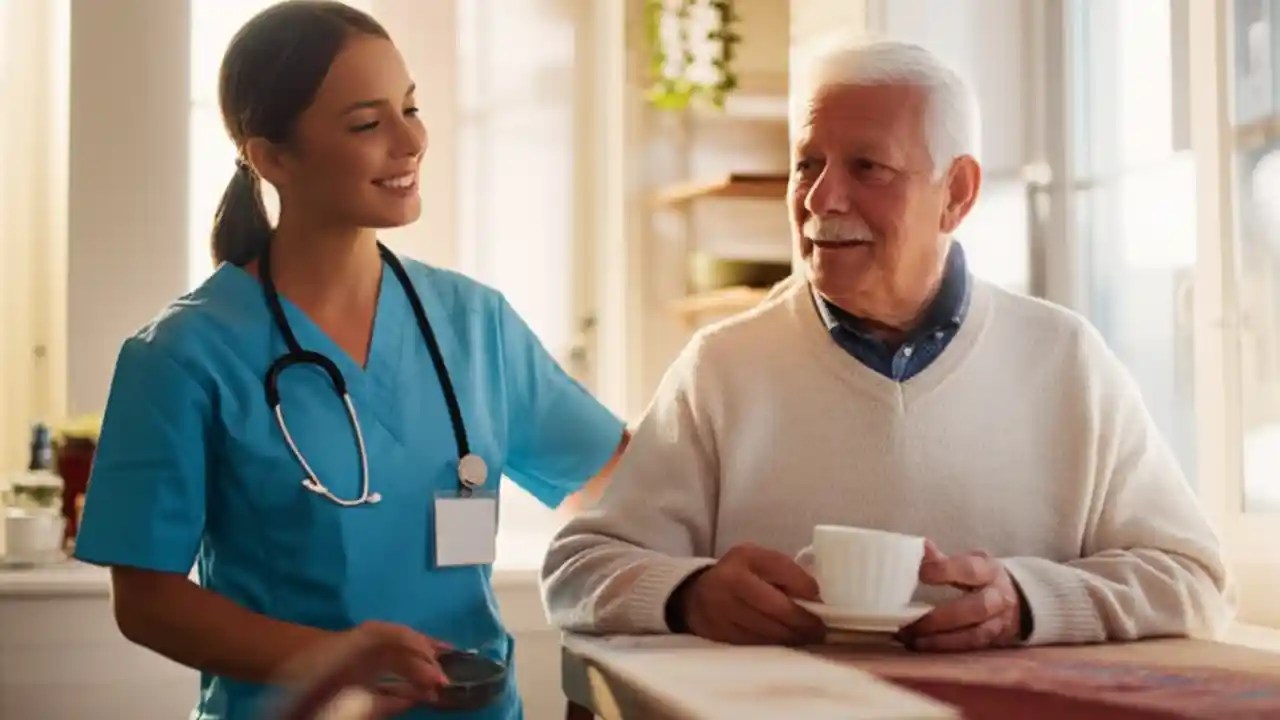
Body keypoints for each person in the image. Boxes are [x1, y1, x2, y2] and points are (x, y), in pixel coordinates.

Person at [541, 38, 1233, 653]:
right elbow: (579, 570)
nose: (820, 199)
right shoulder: (722, 367)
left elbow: (1194, 578)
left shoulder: (1067, 360)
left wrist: (1028, 602)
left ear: (956, 194)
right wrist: (688, 594)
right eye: (807, 163)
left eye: (867, 167)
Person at [73, 3, 627, 719]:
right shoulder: (181, 357)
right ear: (271, 156)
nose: (412, 140)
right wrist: (330, 658)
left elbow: (623, 481)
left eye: (412, 107)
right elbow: (148, 603)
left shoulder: (475, 323)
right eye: (368, 124)